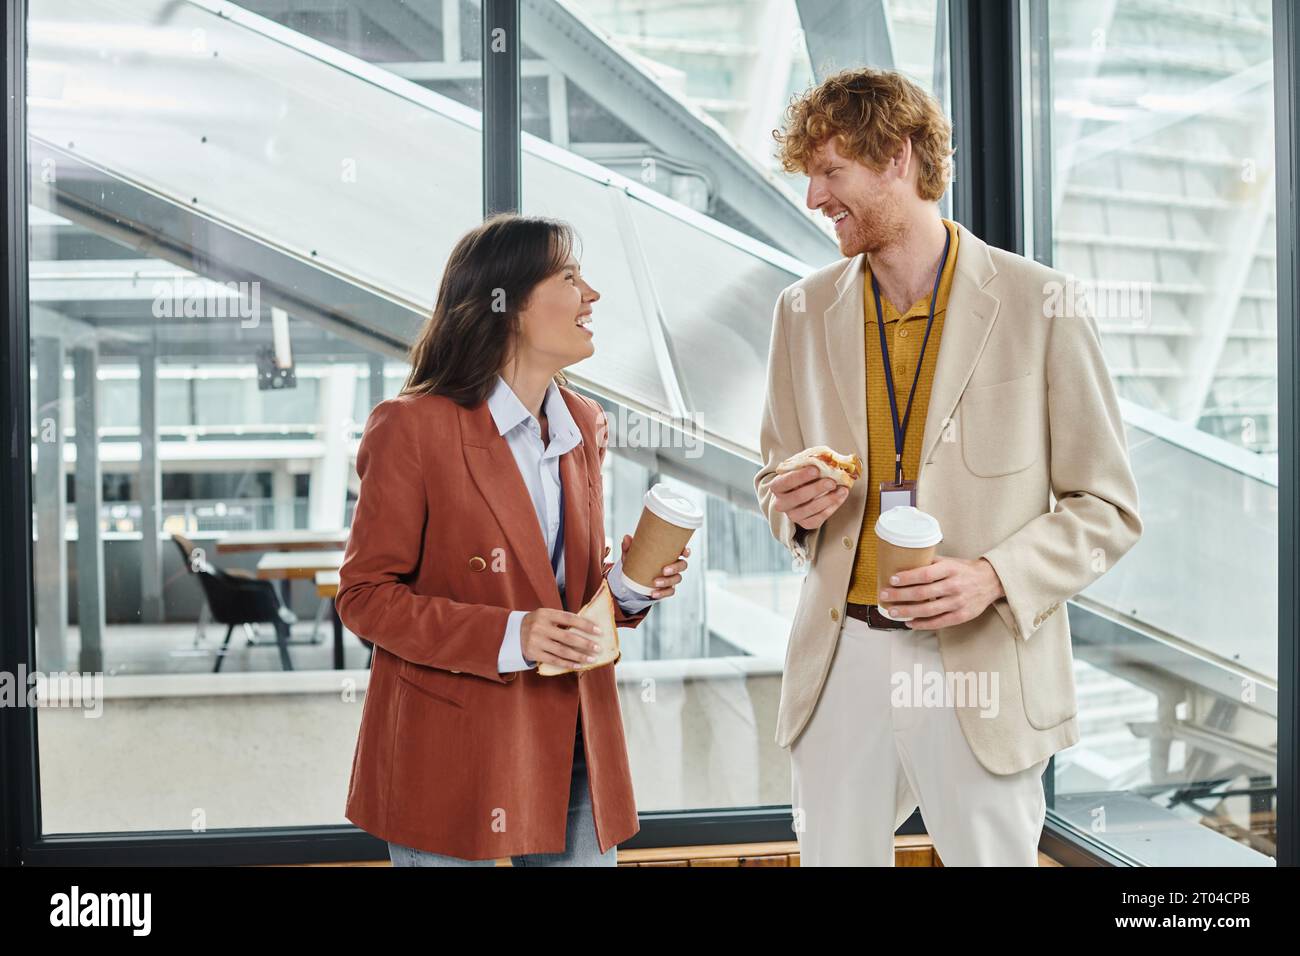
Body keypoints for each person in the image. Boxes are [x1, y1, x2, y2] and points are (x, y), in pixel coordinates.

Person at [755, 68, 1142, 866]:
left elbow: (1107, 507)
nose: (814, 198)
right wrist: (791, 503)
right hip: (842, 659)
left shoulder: (1043, 304)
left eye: (831, 172)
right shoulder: (799, 310)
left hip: (982, 662)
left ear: (897, 157)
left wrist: (994, 575)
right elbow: (772, 478)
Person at [337, 213, 691, 866]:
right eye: (570, 277)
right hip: (449, 740)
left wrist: (630, 588)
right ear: (509, 305)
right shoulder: (410, 429)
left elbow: (562, 593)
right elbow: (363, 596)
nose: (593, 295)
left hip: (576, 728)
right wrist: (512, 635)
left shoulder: (582, 423)